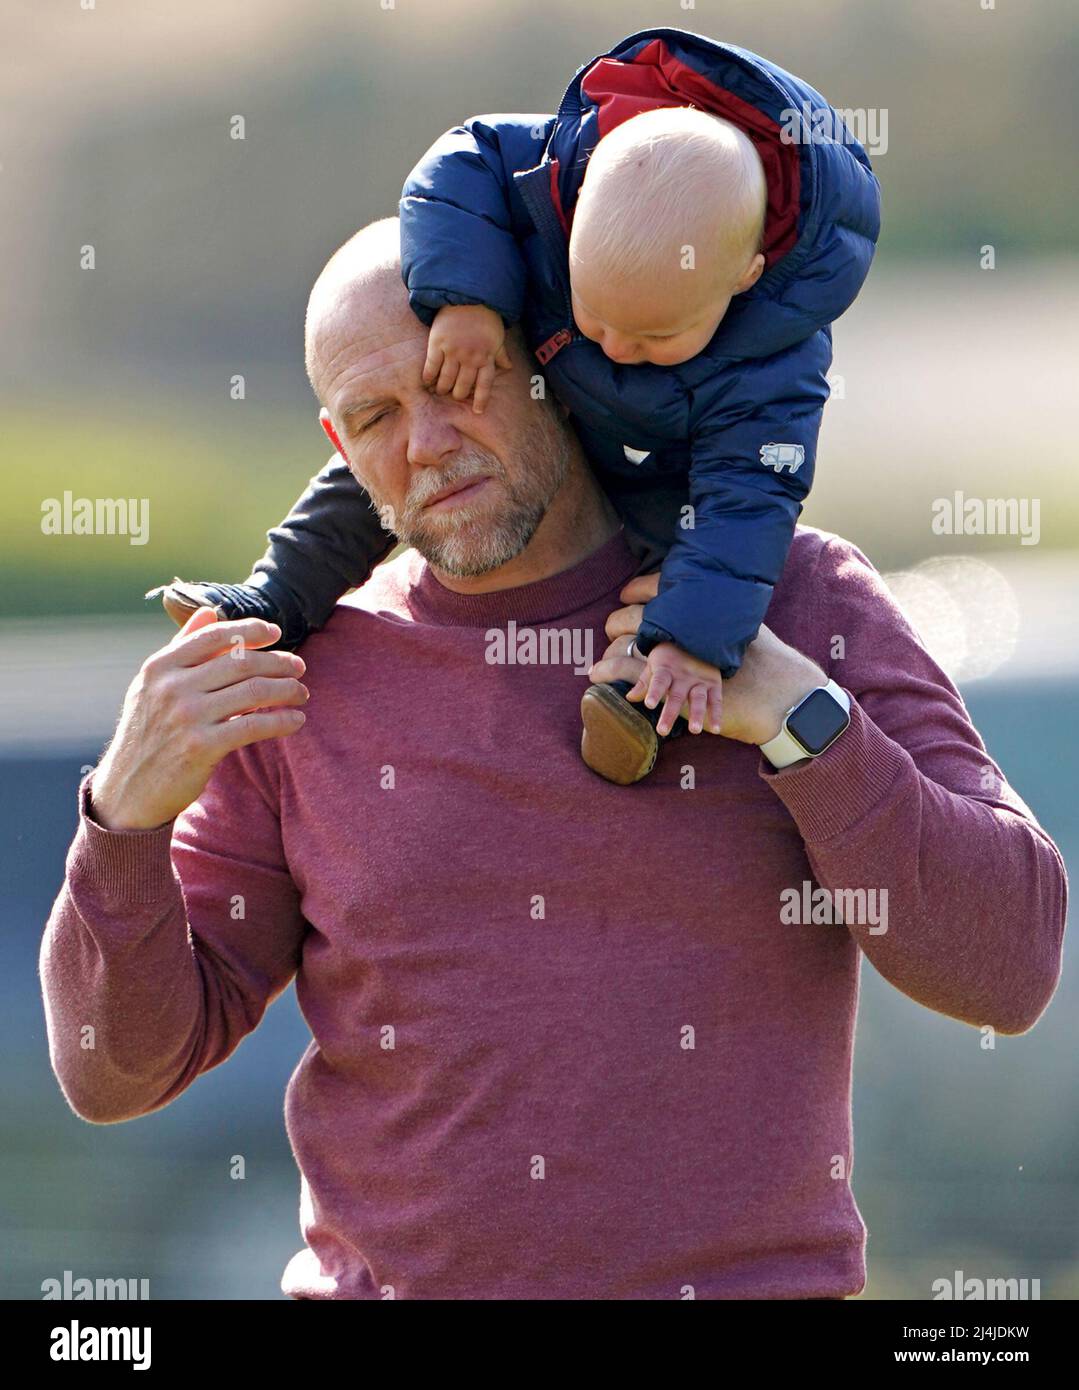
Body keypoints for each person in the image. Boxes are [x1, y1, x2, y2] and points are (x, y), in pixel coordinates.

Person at [43, 219, 1066, 1301]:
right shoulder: (296, 678)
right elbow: (116, 1071)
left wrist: (796, 715)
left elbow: (1007, 966)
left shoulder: (791, 597)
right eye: (376, 416)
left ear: (549, 361)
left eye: (457, 382)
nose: (426, 443)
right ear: (337, 450)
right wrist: (123, 815)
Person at [150, 28, 880, 784]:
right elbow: (459, 167)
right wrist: (463, 302)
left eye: (656, 333)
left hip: (669, 467)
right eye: (599, 314)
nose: (619, 347)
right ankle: (271, 602)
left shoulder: (776, 372)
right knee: (403, 465)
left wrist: (702, 641)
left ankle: (642, 695)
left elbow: (751, 495)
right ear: (577, 214)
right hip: (542, 379)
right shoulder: (552, 173)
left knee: (690, 556)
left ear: (743, 275)